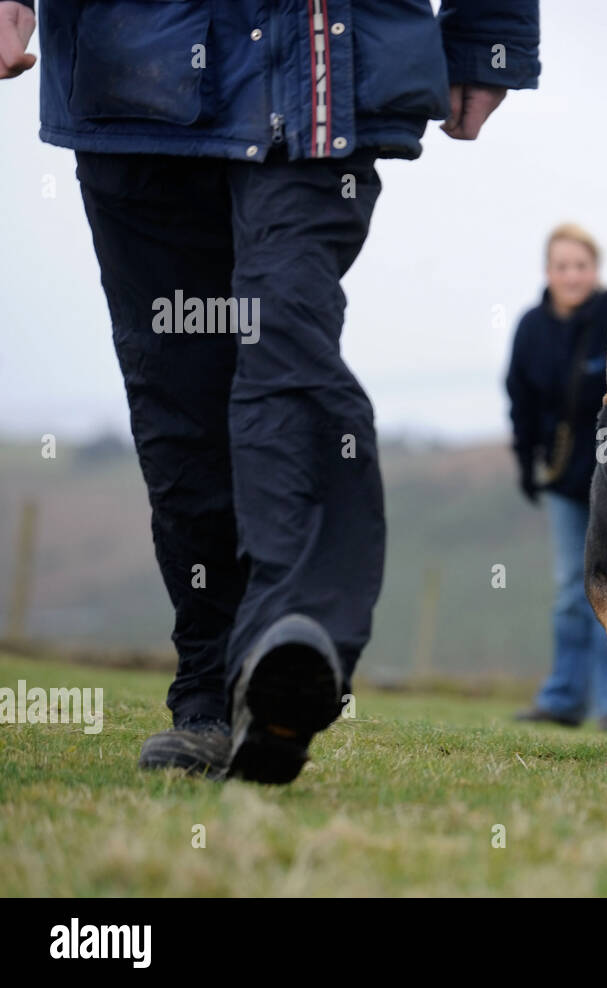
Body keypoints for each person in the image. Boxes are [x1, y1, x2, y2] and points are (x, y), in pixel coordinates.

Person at [0, 0, 540, 783]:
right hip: (131, 77)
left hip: (321, 69)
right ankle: (213, 693)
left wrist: (490, 32)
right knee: (180, 398)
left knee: (287, 346)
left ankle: (291, 647)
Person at [507, 216, 607, 731]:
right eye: (562, 266)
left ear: (596, 270)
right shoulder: (530, 327)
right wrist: (525, 462)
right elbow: (519, 399)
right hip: (565, 480)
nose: (572, 276)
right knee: (573, 588)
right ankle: (562, 699)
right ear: (548, 271)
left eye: (581, 266)